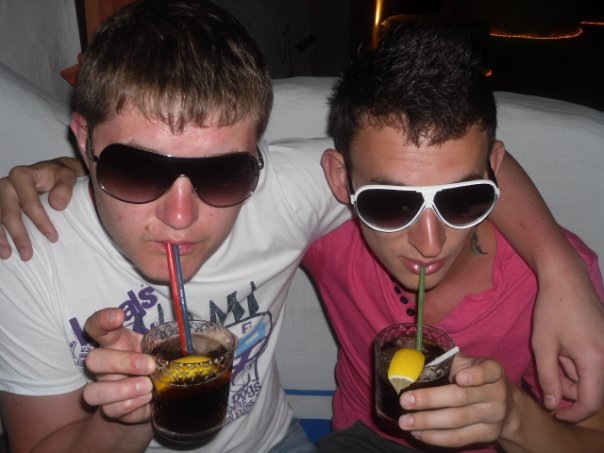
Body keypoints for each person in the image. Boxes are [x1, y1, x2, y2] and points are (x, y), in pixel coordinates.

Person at [0, 1, 603, 451]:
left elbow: (445, 166)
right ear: (85, 142)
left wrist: (562, 270)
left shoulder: (286, 195)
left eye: (224, 174)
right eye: (136, 168)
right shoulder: (25, 252)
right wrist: (127, 415)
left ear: (255, 163)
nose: (180, 217)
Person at [302, 21, 604, 451]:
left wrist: (514, 417)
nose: (430, 243)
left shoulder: (551, 289)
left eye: (461, 198)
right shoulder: (325, 233)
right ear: (339, 177)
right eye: (391, 203)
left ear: (493, 170)